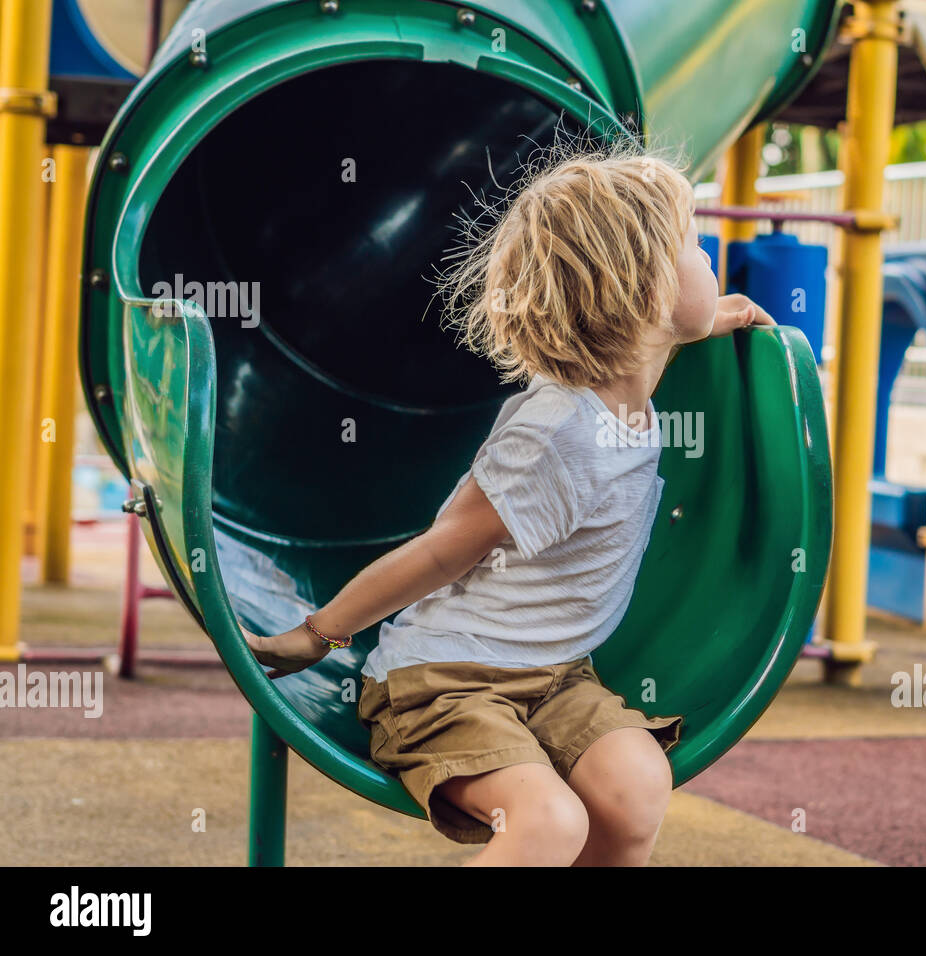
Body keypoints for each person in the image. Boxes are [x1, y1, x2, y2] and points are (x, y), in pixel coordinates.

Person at [244, 145, 774, 865]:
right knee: (550, 823)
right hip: (447, 681)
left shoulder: (628, 387)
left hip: (556, 677)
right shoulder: (559, 433)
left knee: (637, 787)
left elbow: (656, 339)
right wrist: (321, 634)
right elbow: (439, 550)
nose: (711, 257)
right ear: (645, 291)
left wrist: (710, 319)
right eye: (695, 247)